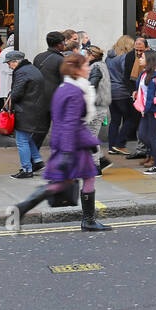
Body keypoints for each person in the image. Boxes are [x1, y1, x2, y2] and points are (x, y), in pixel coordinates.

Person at [13, 52, 110, 232]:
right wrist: (68, 151)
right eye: (85, 66)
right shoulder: (75, 92)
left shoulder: (63, 88)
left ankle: (22, 208)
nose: (89, 68)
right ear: (76, 70)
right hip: (73, 145)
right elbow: (72, 123)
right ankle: (87, 220)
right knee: (69, 182)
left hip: (68, 142)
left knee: (75, 180)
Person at [5, 51, 47, 178]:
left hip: (25, 109)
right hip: (34, 108)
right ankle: (38, 161)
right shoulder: (31, 69)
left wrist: (9, 102)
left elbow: (16, 93)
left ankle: (27, 169)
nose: (9, 66)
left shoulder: (21, 72)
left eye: (9, 63)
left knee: (21, 140)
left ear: (15, 61)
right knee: (27, 137)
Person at [105, 35, 135, 155]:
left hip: (111, 91)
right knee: (131, 118)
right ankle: (120, 144)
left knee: (115, 120)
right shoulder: (124, 57)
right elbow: (126, 75)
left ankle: (112, 146)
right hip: (123, 91)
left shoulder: (109, 58)